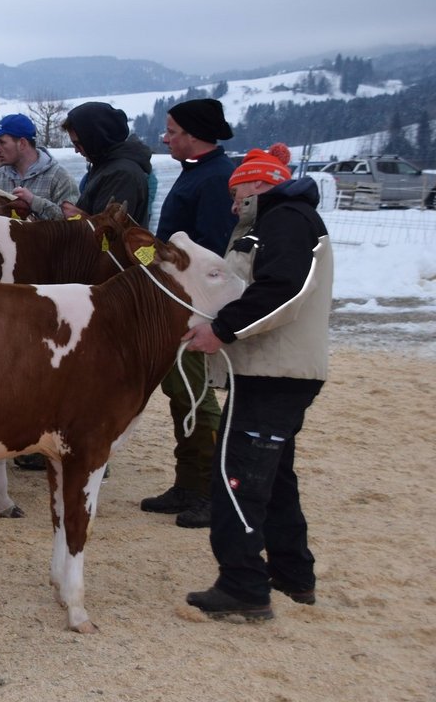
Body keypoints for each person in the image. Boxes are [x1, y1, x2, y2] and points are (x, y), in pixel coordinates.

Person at [181, 143, 332, 621]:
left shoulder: (285, 220)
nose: (232, 204)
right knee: (275, 477)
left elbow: (283, 288)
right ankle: (293, 573)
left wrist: (222, 330)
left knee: (237, 477)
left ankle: (243, 586)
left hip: (274, 372)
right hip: (275, 370)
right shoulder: (281, 220)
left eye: (236, 192)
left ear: (259, 183)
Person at [140, 98, 240, 528]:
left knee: (195, 393)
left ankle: (210, 491)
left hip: (191, 306)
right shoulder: (197, 172)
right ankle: (189, 482)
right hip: (176, 301)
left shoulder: (215, 179)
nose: (165, 139)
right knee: (180, 391)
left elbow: (210, 253)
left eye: (172, 131)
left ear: (194, 135)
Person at [60, 101, 153, 226]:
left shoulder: (121, 175)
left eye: (78, 144)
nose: (76, 150)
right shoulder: (106, 167)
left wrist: (79, 218)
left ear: (95, 139)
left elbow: (111, 231)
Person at [0, 114, 78, 220]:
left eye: (2, 142)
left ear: (22, 143)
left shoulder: (60, 178)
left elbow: (73, 224)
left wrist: (34, 202)